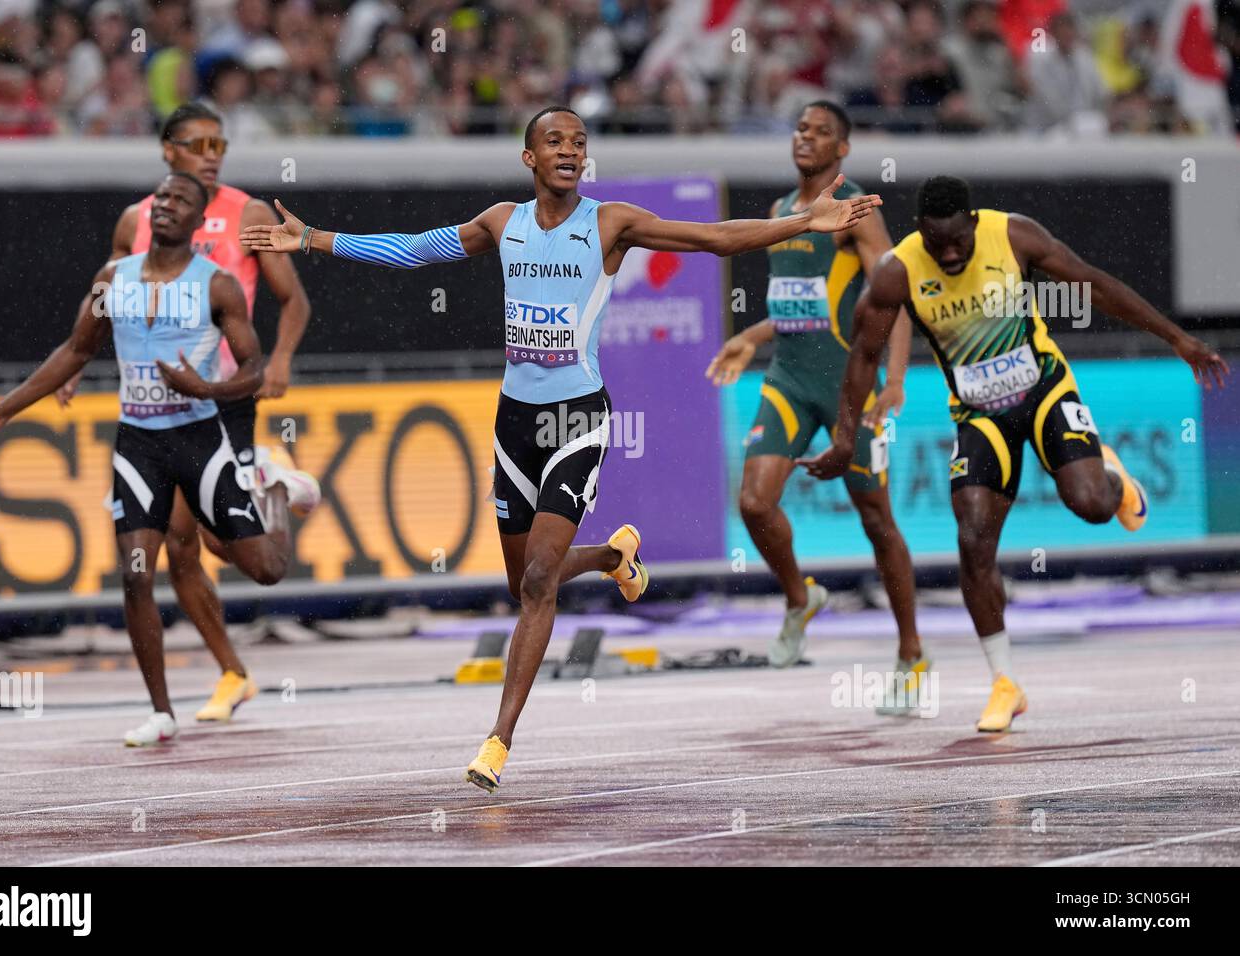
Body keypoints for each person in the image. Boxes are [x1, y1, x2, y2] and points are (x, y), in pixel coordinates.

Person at [239, 105, 882, 790]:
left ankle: (497, 740)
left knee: (540, 582)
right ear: (529, 159)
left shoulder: (609, 223)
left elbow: (716, 237)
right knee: (526, 579)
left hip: (576, 418)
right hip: (514, 420)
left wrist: (803, 222)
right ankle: (612, 555)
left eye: (579, 141)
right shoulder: (502, 223)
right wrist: (312, 238)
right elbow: (416, 247)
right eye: (554, 141)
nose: (569, 150)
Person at [805, 175, 1229, 732]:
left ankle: (1116, 481)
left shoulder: (1013, 235)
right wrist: (843, 437)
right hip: (980, 414)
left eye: (958, 240)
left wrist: (1176, 338)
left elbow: (1093, 285)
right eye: (938, 243)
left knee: (1091, 504)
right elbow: (863, 357)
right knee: (972, 537)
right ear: (921, 233)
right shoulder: (900, 270)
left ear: (973, 222)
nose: (950, 253)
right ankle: (1004, 681)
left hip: (1044, 388)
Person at [0, 173, 310, 746]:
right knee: (135, 574)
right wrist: (1, 412)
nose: (167, 205)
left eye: (181, 201)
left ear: (199, 223)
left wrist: (206, 390)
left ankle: (271, 488)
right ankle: (162, 710)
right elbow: (76, 350)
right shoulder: (111, 280)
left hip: (201, 441)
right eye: (162, 198)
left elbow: (251, 369)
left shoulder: (217, 285)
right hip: (140, 444)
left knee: (266, 570)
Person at [57, 102, 316, 724]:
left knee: (225, 547)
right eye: (198, 143)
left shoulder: (247, 213)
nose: (212, 153)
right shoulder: (136, 221)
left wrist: (277, 361)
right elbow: (109, 298)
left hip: (224, 395)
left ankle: (274, 490)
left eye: (220, 143)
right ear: (167, 151)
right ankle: (232, 672)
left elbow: (294, 299)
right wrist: (73, 368)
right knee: (176, 544)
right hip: (157, 408)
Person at [706, 101, 927, 713]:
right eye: (801, 128)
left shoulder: (854, 208)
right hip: (788, 378)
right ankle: (799, 597)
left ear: (843, 148)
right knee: (752, 501)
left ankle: (911, 656)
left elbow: (896, 297)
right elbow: (796, 305)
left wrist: (894, 383)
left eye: (821, 131)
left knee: (877, 521)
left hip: (847, 389)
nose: (806, 137)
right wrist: (750, 338)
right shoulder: (781, 212)